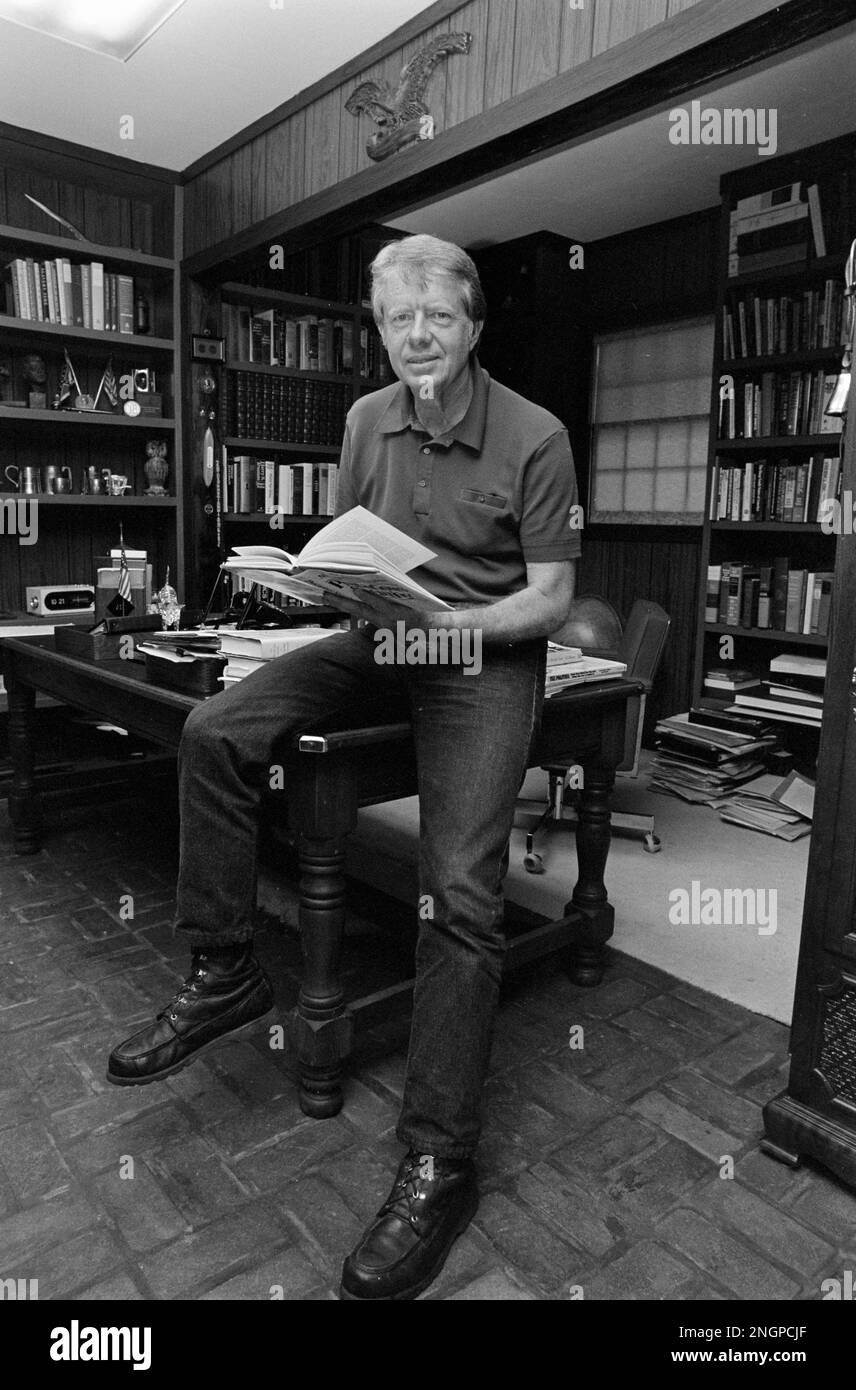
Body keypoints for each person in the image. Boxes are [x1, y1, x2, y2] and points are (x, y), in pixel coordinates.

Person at [107, 233, 581, 1300]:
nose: (418, 337)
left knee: (458, 891)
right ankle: (226, 967)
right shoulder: (366, 419)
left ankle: (438, 1158)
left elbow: (550, 598)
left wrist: (456, 621)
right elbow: (359, 543)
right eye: (397, 320)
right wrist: (322, 588)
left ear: (472, 322)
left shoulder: (536, 435)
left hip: (481, 655)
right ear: (378, 326)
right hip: (385, 639)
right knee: (214, 729)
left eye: (439, 318)